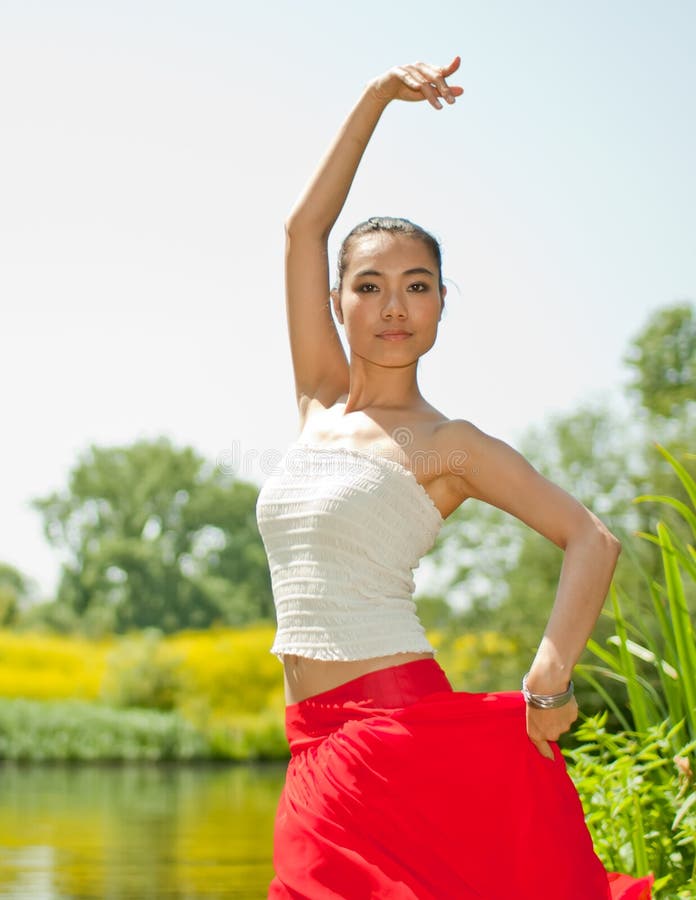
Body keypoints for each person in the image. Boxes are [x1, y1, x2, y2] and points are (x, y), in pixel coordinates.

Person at [255, 56, 654, 900]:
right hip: (310, 741)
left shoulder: (449, 445)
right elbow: (302, 230)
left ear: (441, 305)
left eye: (417, 287)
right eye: (370, 286)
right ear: (337, 301)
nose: (393, 306)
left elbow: (592, 536)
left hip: (393, 730)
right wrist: (375, 98)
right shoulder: (317, 402)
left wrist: (550, 674)